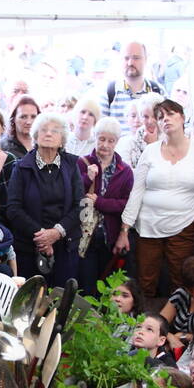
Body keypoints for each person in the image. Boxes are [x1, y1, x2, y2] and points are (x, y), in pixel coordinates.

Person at [117, 99, 194, 304]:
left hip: (185, 225)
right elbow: (137, 191)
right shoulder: (150, 151)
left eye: (170, 114)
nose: (165, 119)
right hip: (148, 226)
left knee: (180, 281)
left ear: (182, 117)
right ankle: (142, 328)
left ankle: (175, 329)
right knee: (145, 281)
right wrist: (125, 229)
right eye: (161, 117)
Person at [4, 112, 84, 287]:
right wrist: (42, 236)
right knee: (31, 303)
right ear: (35, 136)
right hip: (29, 248)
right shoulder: (21, 167)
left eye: (55, 131)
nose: (48, 134)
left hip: (65, 246)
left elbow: (80, 206)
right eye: (44, 130)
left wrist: (56, 233)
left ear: (62, 140)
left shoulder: (72, 166)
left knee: (61, 302)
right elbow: (13, 209)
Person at [75, 117, 134, 291]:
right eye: (102, 139)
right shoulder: (82, 162)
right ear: (95, 137)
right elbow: (73, 196)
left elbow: (126, 204)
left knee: (107, 284)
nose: (105, 145)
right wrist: (87, 178)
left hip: (110, 234)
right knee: (86, 283)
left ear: (117, 142)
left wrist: (100, 202)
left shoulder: (124, 170)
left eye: (111, 141)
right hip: (85, 234)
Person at [99, 42, 162, 126]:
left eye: (136, 58)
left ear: (146, 60)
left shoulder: (158, 91)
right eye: (126, 58)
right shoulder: (109, 92)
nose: (130, 63)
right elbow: (100, 131)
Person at [116, 93, 161, 167]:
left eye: (154, 116)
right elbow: (126, 174)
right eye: (146, 117)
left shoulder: (170, 138)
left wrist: (153, 145)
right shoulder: (129, 143)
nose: (150, 121)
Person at [0, 95, 39, 162]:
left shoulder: (44, 144)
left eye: (33, 117)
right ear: (13, 119)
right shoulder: (3, 147)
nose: (29, 122)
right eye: (23, 117)